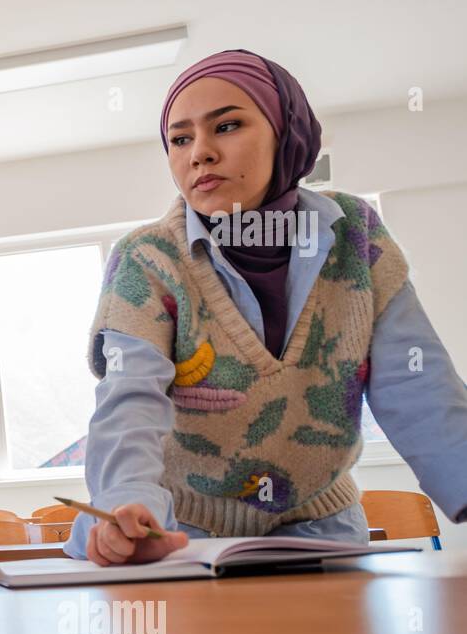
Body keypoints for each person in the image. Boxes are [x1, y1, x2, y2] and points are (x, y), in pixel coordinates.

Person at [66, 50, 467, 565]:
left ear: (287, 132)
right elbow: (130, 400)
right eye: (180, 139)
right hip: (178, 536)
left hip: (324, 533)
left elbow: (419, 387)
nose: (200, 153)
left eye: (227, 126)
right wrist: (128, 504)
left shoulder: (355, 234)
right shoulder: (148, 258)